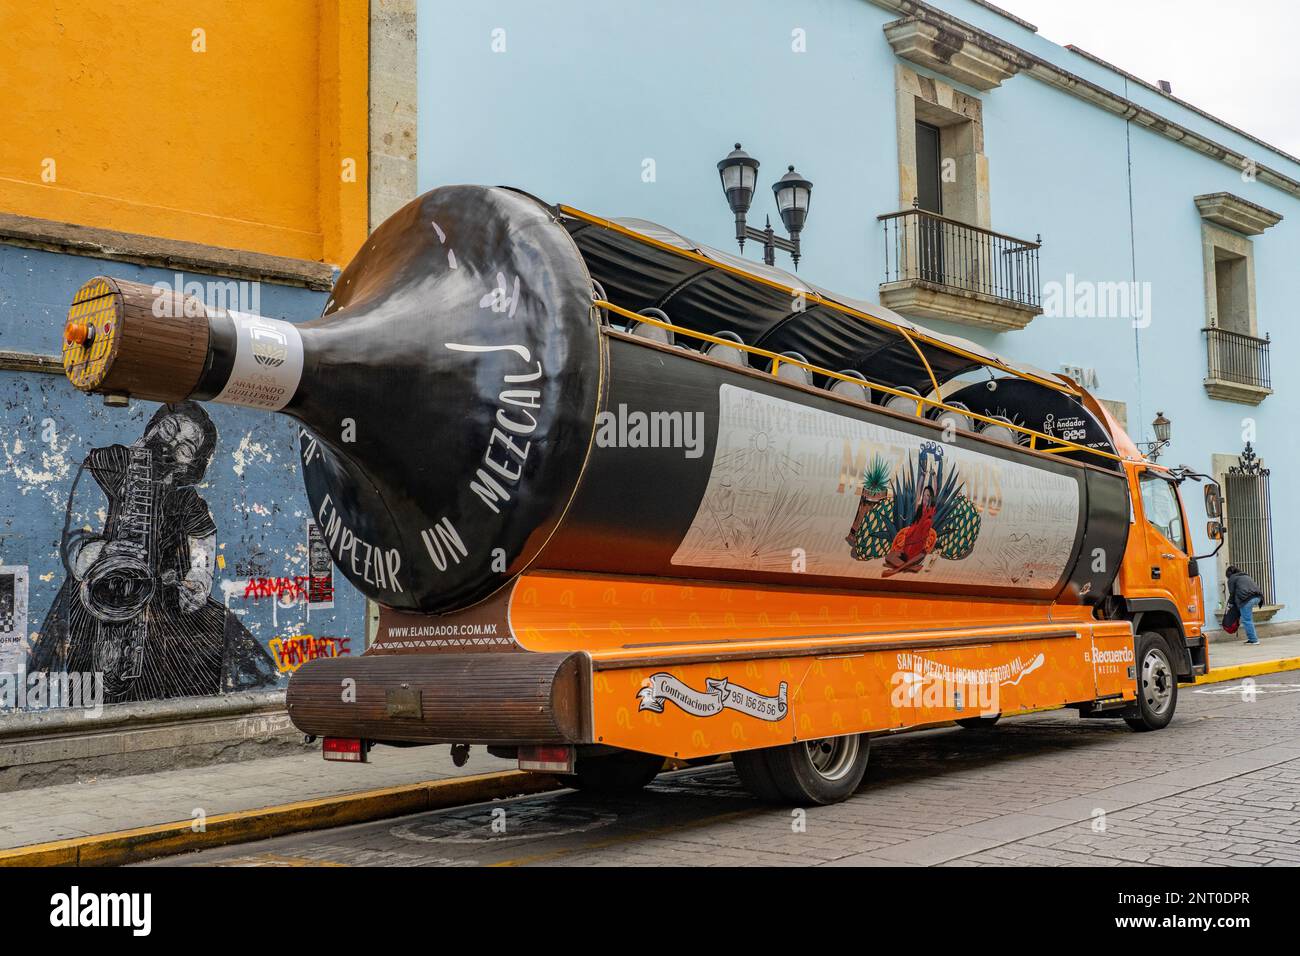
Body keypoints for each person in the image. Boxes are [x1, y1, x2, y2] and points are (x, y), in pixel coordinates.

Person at [1225, 565, 1265, 646]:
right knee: (1248, 619)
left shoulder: (1232, 579)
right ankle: (1251, 639)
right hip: (1258, 597)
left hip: (1247, 599)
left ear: (1228, 574)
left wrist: (1230, 604)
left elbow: (1232, 594)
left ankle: (1254, 640)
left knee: (1247, 620)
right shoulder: (1245, 575)